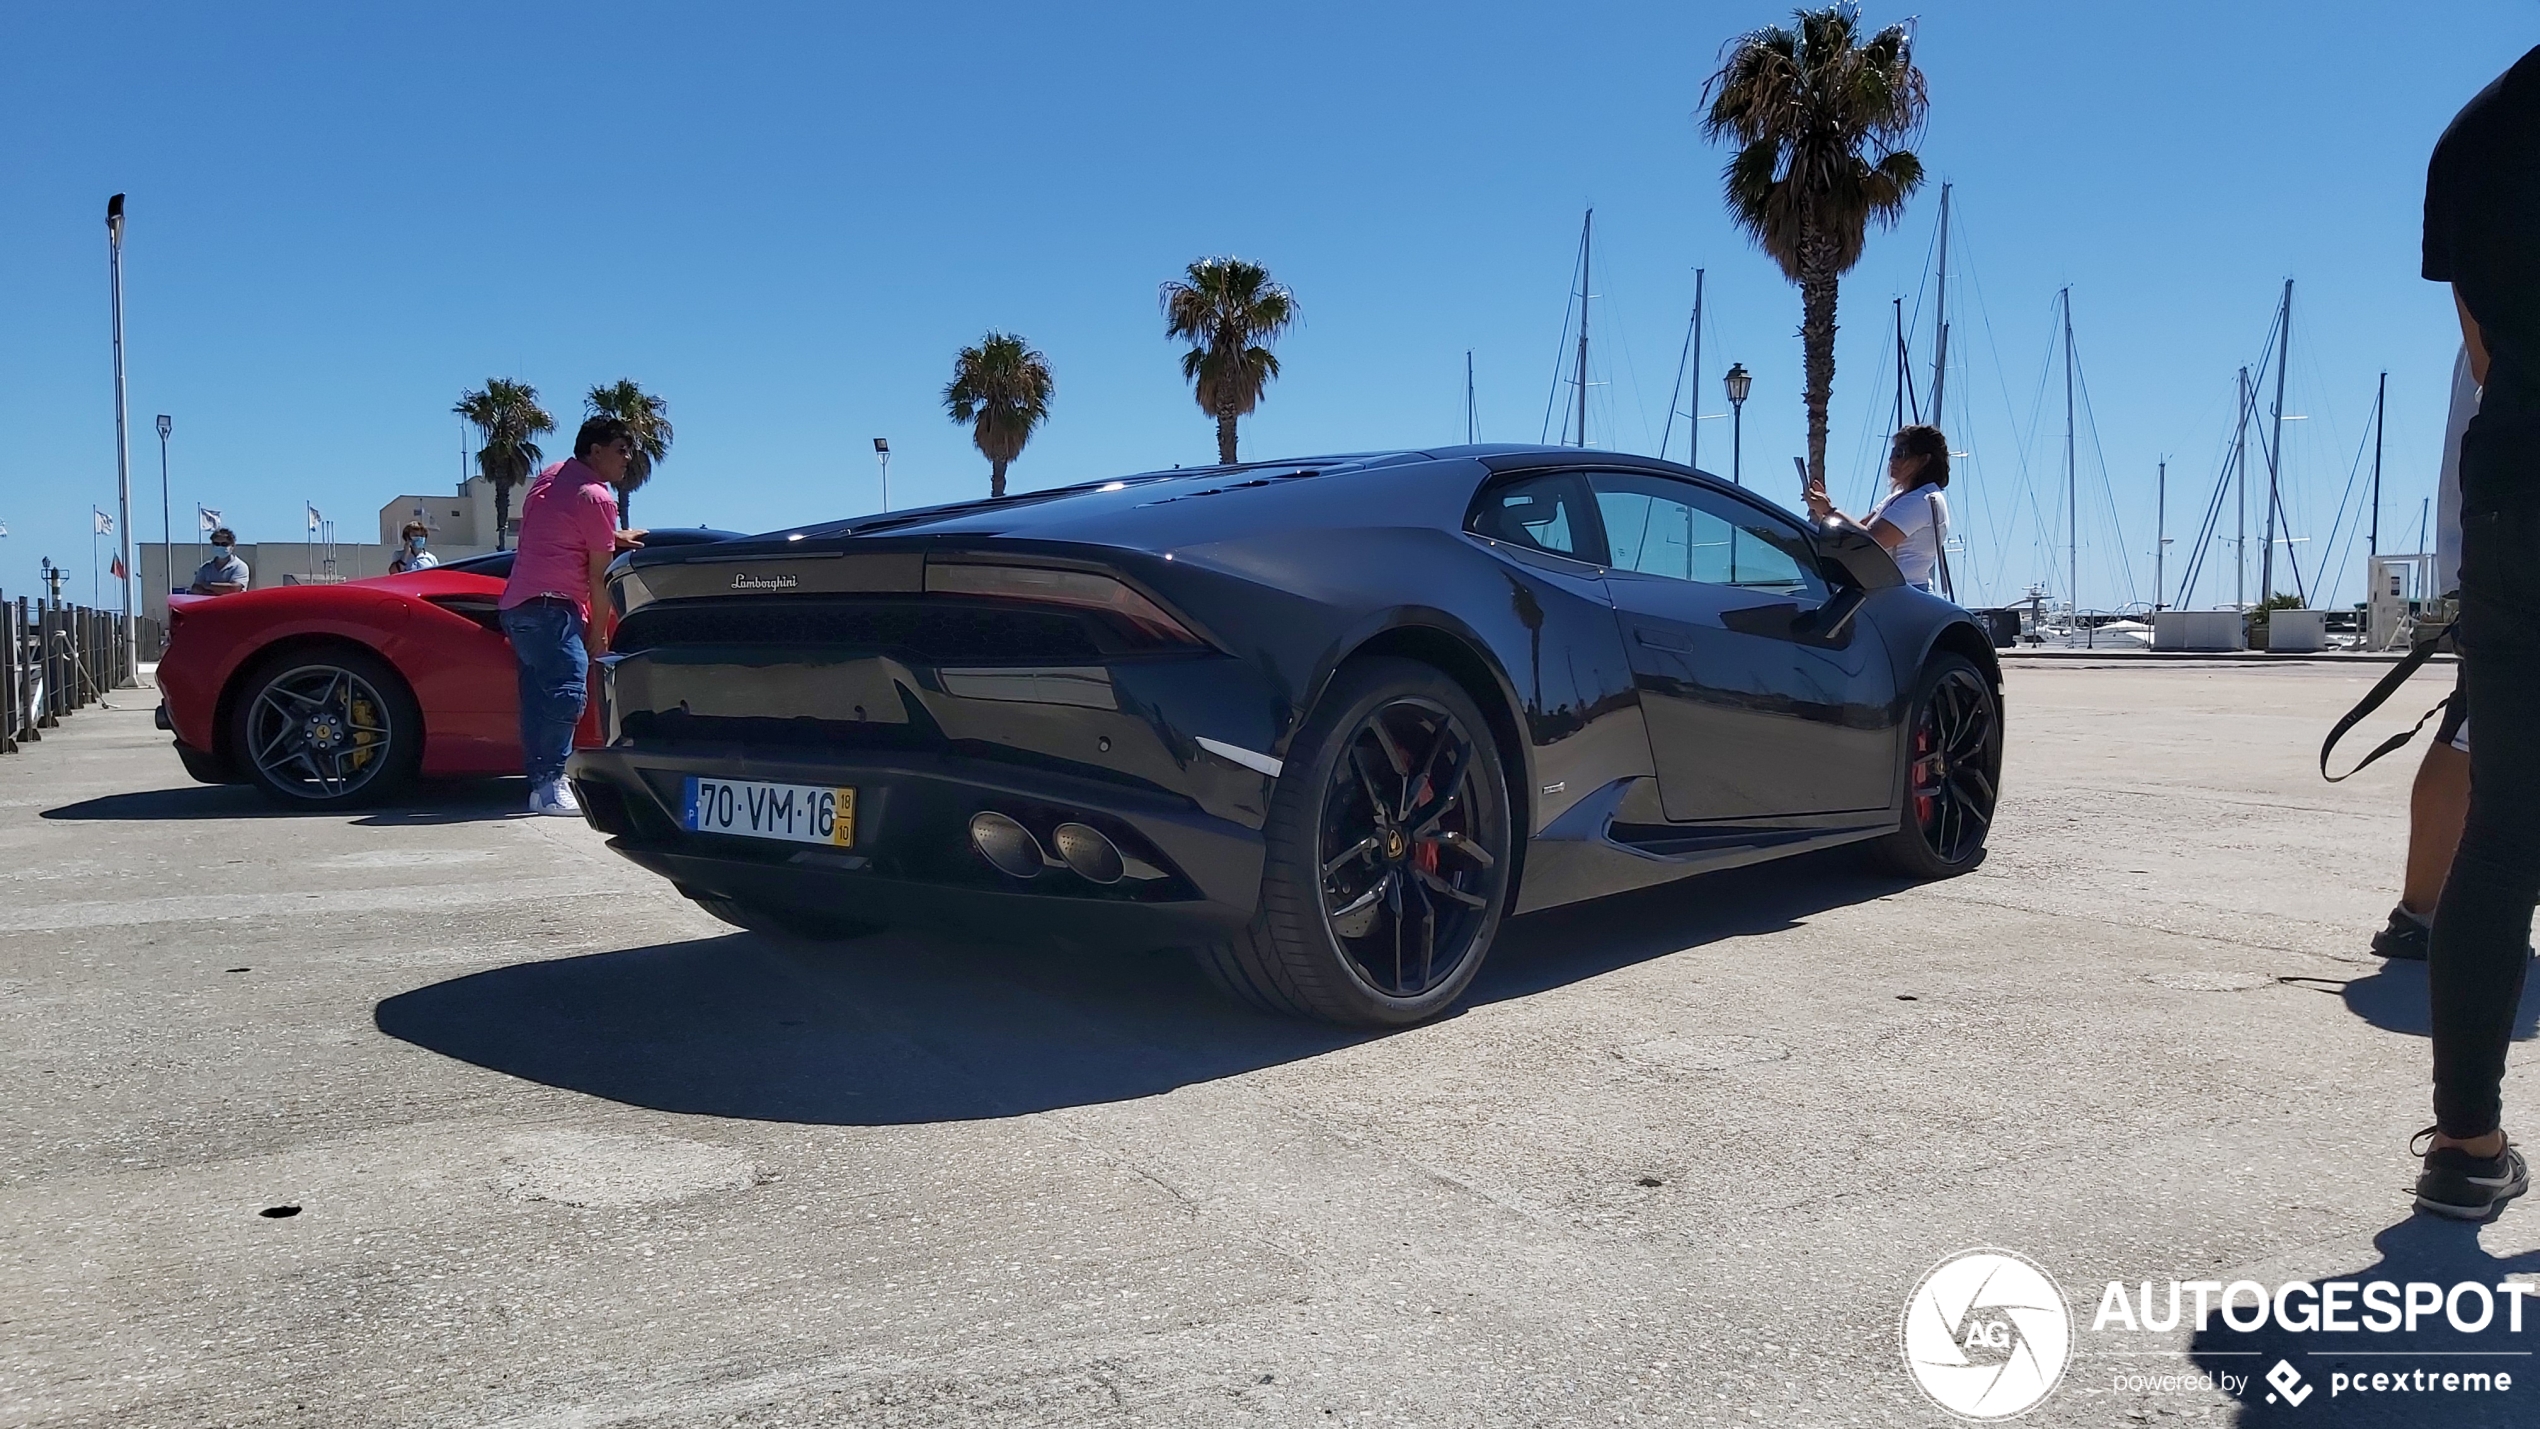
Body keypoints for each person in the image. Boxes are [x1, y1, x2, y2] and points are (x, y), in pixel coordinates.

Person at [2415, 42, 2540, 1221]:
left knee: (2502, 833)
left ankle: (2464, 1144)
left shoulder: (2475, 133)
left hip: (2514, 501)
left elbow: (2484, 352)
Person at [2371, 347, 2478, 962]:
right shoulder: (2508, 301)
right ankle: (2420, 912)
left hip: (2497, 556)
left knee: (2477, 733)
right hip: (2507, 563)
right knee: (2470, 734)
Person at [498, 417, 644, 817]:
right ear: (595, 451)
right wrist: (598, 634)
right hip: (553, 609)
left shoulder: (551, 477)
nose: (628, 459)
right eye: (621, 449)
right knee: (565, 694)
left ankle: (539, 786)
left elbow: (554, 529)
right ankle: (550, 789)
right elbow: (600, 576)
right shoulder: (598, 498)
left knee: (538, 699)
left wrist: (612, 537)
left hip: (519, 606)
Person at [1802, 424, 1952, 596]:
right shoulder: (1898, 497)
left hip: (1906, 594)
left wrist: (1829, 510)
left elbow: (1872, 540)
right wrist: (1825, 510)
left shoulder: (1923, 500)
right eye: (1892, 453)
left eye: (1900, 453)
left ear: (1924, 460)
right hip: (1891, 591)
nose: (1892, 460)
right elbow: (1856, 530)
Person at [188, 529, 250, 594]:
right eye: (216, 544)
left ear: (232, 545)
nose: (220, 546)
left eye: (224, 544)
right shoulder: (205, 567)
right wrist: (218, 591)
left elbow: (234, 588)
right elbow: (195, 588)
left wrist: (207, 585)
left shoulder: (239, 566)